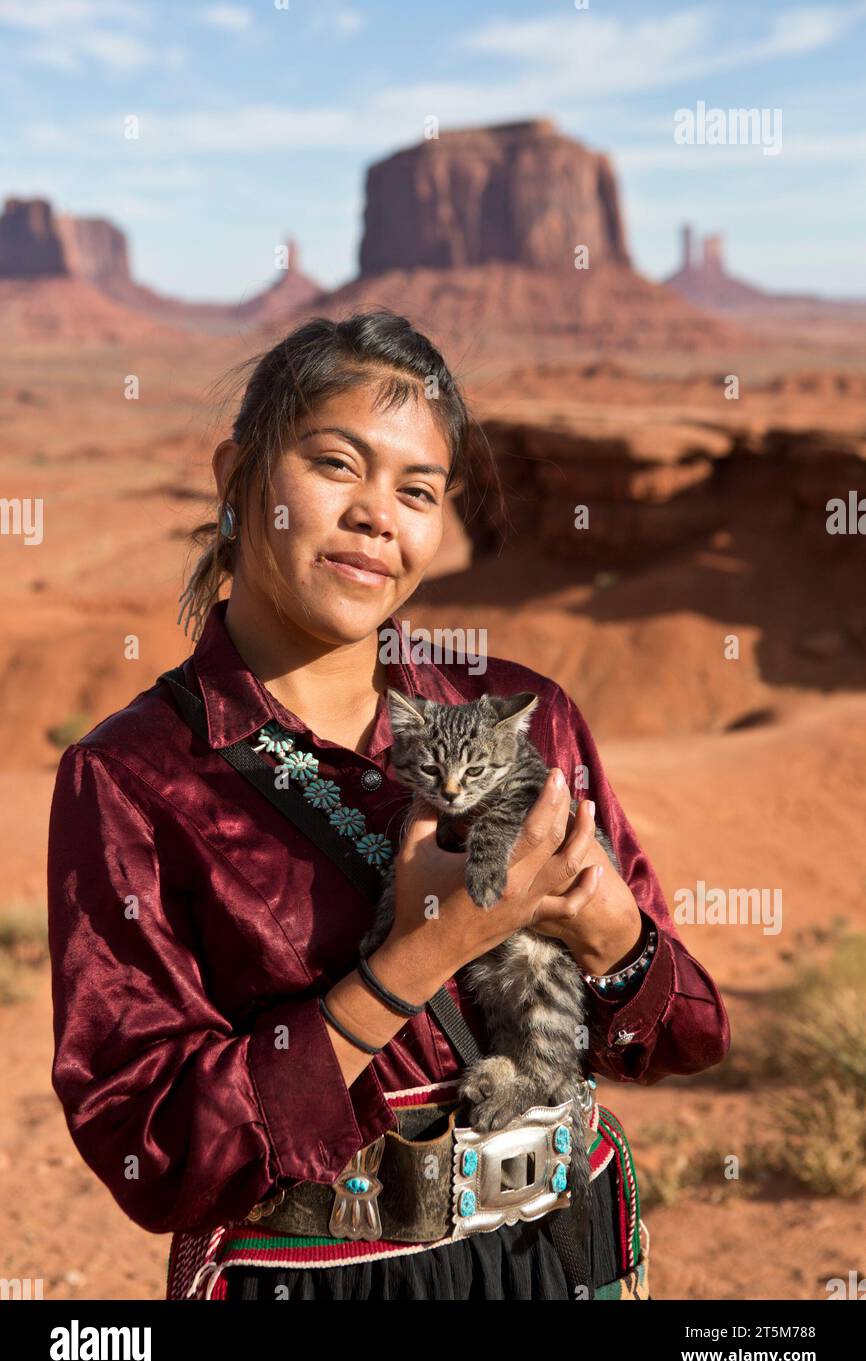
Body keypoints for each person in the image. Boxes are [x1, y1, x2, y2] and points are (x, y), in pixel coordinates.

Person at [46, 310, 730, 1301]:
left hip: (561, 1257)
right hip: (327, 1277)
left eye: (417, 489)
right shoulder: (135, 777)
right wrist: (418, 952)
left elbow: (685, 1032)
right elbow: (151, 1145)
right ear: (236, 474)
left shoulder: (523, 716)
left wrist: (612, 933)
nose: (378, 513)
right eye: (336, 466)